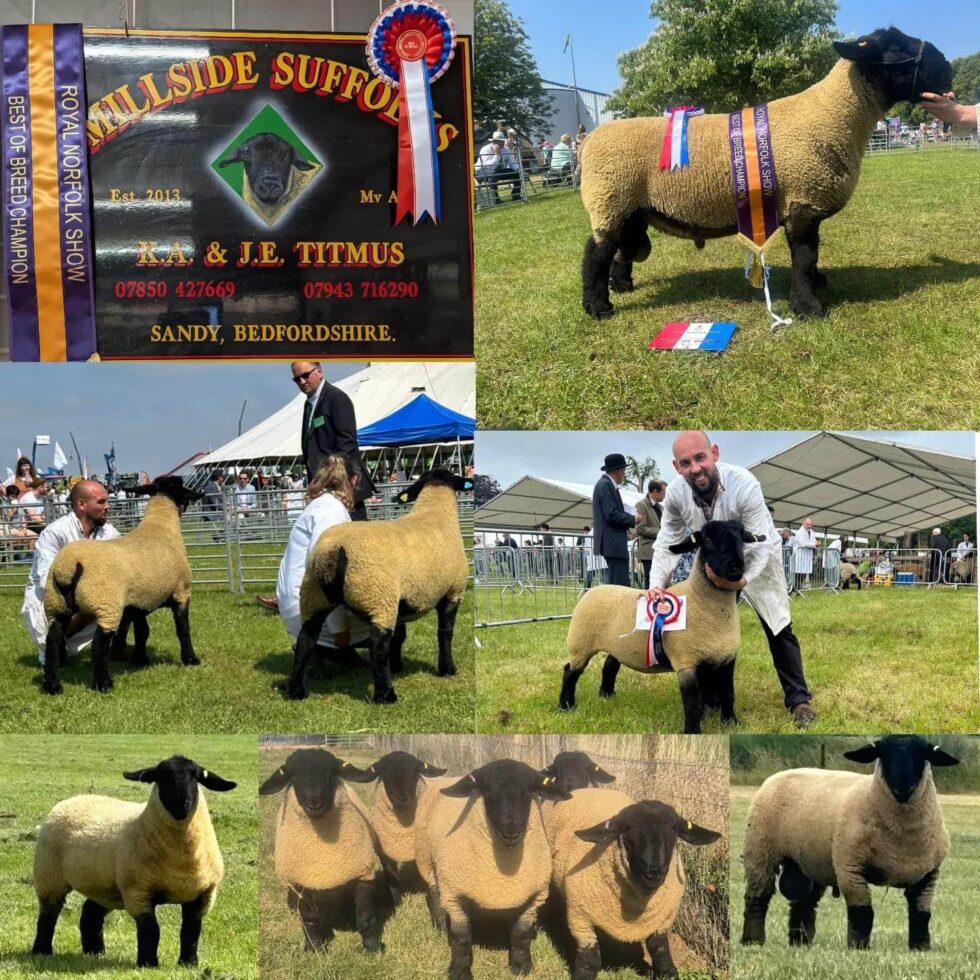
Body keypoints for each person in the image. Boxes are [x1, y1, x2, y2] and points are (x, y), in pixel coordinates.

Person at [645, 431, 816, 727]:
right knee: (709, 628)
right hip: (713, 569)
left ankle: (799, 700)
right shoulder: (675, 494)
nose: (695, 468)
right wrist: (656, 585)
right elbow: (666, 542)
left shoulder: (744, 483)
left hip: (756, 561)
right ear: (676, 467)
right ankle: (712, 697)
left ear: (714, 453)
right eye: (686, 463)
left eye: (700, 458)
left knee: (778, 626)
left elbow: (761, 541)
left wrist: (742, 581)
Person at [274, 453, 370, 659]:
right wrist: (339, 629)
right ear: (353, 481)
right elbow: (325, 569)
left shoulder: (321, 506)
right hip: (306, 609)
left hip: (295, 603)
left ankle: (330, 649)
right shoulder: (332, 512)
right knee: (385, 617)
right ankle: (324, 647)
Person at [20, 479, 120, 664]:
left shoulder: (110, 534)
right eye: (101, 502)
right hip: (50, 600)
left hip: (88, 597)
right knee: (52, 647)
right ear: (81, 504)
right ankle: (54, 645)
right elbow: (47, 581)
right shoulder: (55, 533)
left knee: (118, 602)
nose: (107, 506)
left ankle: (114, 647)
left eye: (107, 501)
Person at [290, 361, 375, 521]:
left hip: (342, 488)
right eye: (297, 379)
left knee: (353, 539)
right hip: (324, 490)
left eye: (306, 375)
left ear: (319, 372)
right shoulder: (309, 404)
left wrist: (332, 481)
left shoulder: (336, 399)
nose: (302, 381)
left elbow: (347, 445)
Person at [592, 453, 636, 587]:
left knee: (617, 583)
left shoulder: (604, 484)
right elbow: (611, 514)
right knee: (620, 585)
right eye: (624, 471)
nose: (624, 475)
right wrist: (633, 519)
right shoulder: (606, 485)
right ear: (619, 471)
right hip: (613, 543)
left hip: (612, 543)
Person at [474, 130, 523, 203]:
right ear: (494, 142)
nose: (503, 143)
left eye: (503, 141)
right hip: (483, 171)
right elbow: (490, 166)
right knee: (492, 177)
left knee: (516, 173)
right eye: (500, 141)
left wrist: (518, 169)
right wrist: (497, 154)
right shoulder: (486, 149)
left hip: (497, 171)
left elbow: (512, 162)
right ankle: (496, 199)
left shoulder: (506, 149)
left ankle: (516, 195)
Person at [635, 479, 666, 588]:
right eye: (663, 493)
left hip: (661, 551)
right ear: (655, 491)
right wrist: (662, 532)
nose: (664, 496)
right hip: (649, 552)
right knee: (651, 581)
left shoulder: (661, 507)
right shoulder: (641, 505)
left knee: (663, 581)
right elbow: (640, 529)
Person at [791, 518, 818, 592]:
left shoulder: (811, 532)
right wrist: (814, 544)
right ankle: (794, 589)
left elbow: (814, 540)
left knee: (803, 574)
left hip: (807, 556)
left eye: (810, 524)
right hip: (800, 556)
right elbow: (803, 544)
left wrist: (816, 542)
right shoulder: (800, 532)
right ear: (803, 524)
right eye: (807, 524)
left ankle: (797, 589)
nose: (809, 526)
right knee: (798, 574)